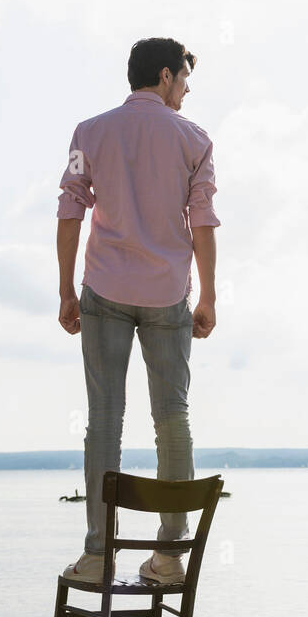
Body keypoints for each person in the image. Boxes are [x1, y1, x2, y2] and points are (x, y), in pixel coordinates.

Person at [56, 37, 220, 585]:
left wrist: (65, 291)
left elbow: (70, 211)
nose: (187, 92)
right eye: (184, 82)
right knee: (172, 417)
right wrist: (208, 297)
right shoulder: (194, 139)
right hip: (168, 293)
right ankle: (169, 557)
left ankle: (99, 556)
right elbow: (202, 223)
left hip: (103, 287)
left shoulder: (90, 132)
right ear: (166, 76)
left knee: (104, 417)